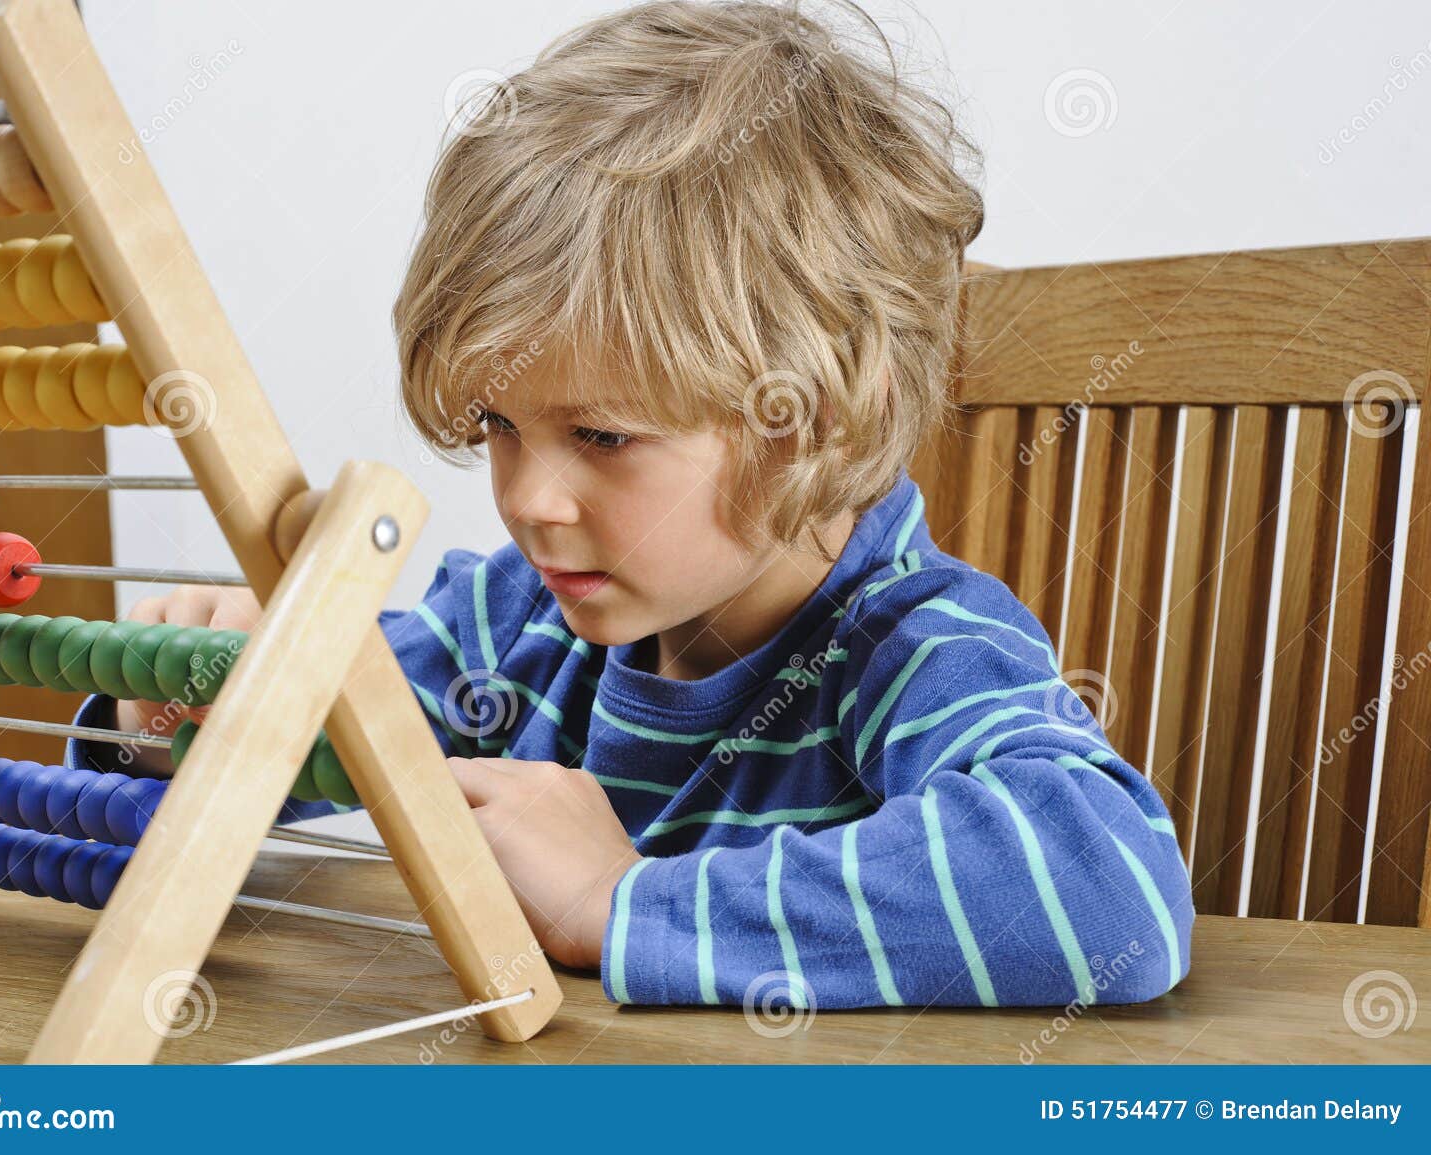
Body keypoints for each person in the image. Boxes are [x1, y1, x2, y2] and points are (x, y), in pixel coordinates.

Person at [68, 0, 1192, 1009]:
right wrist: (177, 721)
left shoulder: (914, 648)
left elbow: (1112, 897)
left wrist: (623, 902)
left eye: (601, 436)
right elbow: (293, 758)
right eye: (497, 428)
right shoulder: (517, 631)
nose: (528, 500)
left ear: (821, 417)